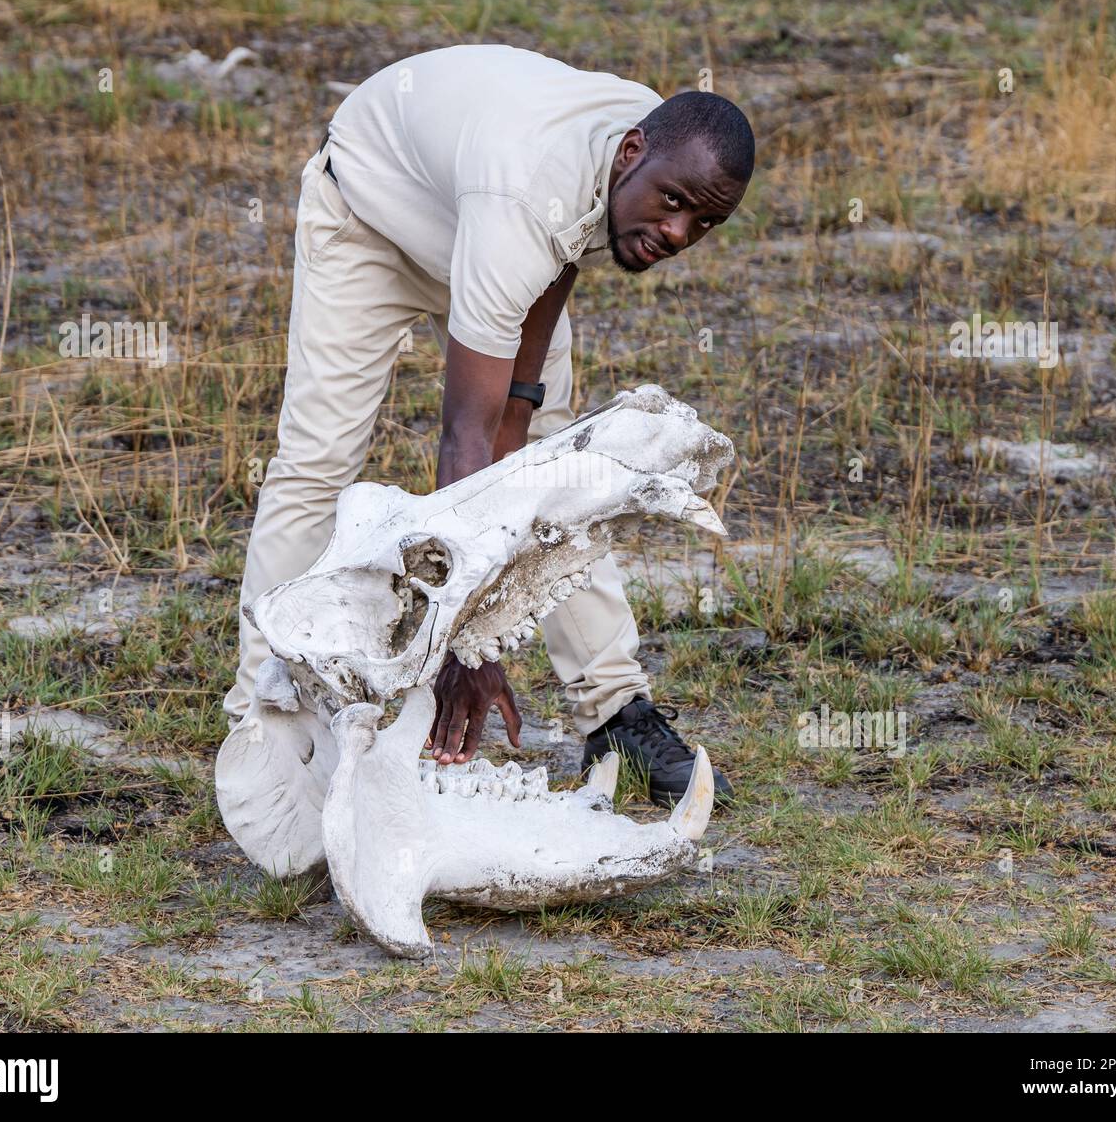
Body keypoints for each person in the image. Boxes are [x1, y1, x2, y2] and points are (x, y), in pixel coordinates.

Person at [224, 44, 754, 806]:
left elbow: (519, 401)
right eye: (673, 203)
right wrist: (463, 648)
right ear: (633, 153)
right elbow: (465, 439)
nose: (677, 233)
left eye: (703, 222)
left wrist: (522, 442)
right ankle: (261, 725)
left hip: (493, 231)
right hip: (372, 217)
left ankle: (615, 715)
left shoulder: (631, 153)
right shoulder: (532, 189)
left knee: (557, 461)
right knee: (319, 462)